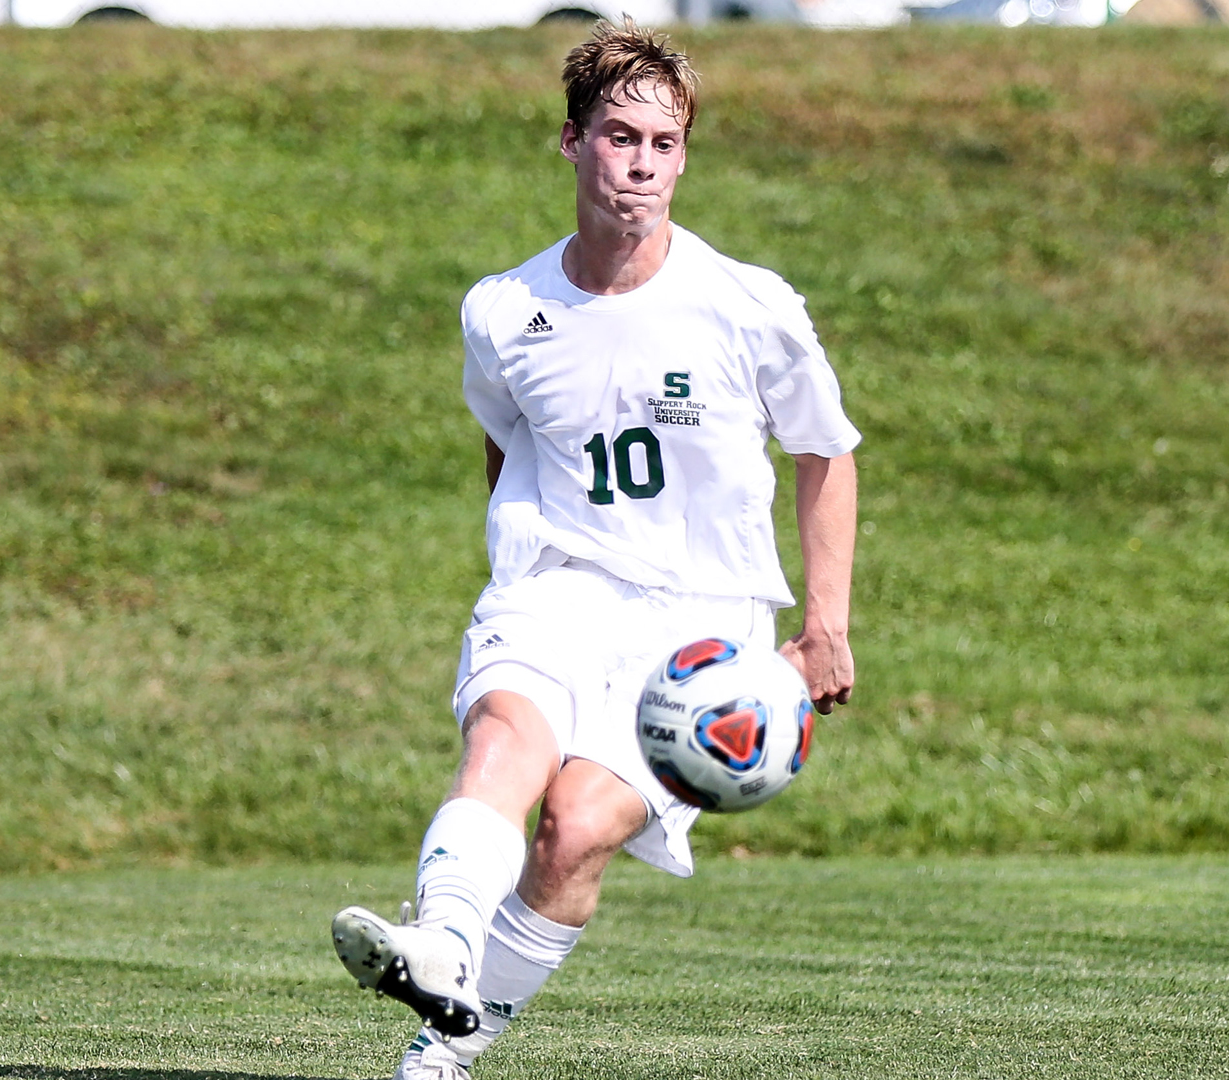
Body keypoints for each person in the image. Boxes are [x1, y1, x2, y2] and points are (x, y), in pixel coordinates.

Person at [331, 19, 860, 1080]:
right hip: (557, 589)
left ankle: (445, 1044)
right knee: (503, 750)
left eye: (665, 144)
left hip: (701, 633)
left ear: (685, 156)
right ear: (572, 144)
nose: (643, 164)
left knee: (573, 832)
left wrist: (824, 626)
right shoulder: (502, 311)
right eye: (621, 137)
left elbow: (825, 451)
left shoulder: (747, 306)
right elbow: (508, 436)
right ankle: (440, 939)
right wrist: (518, 566)